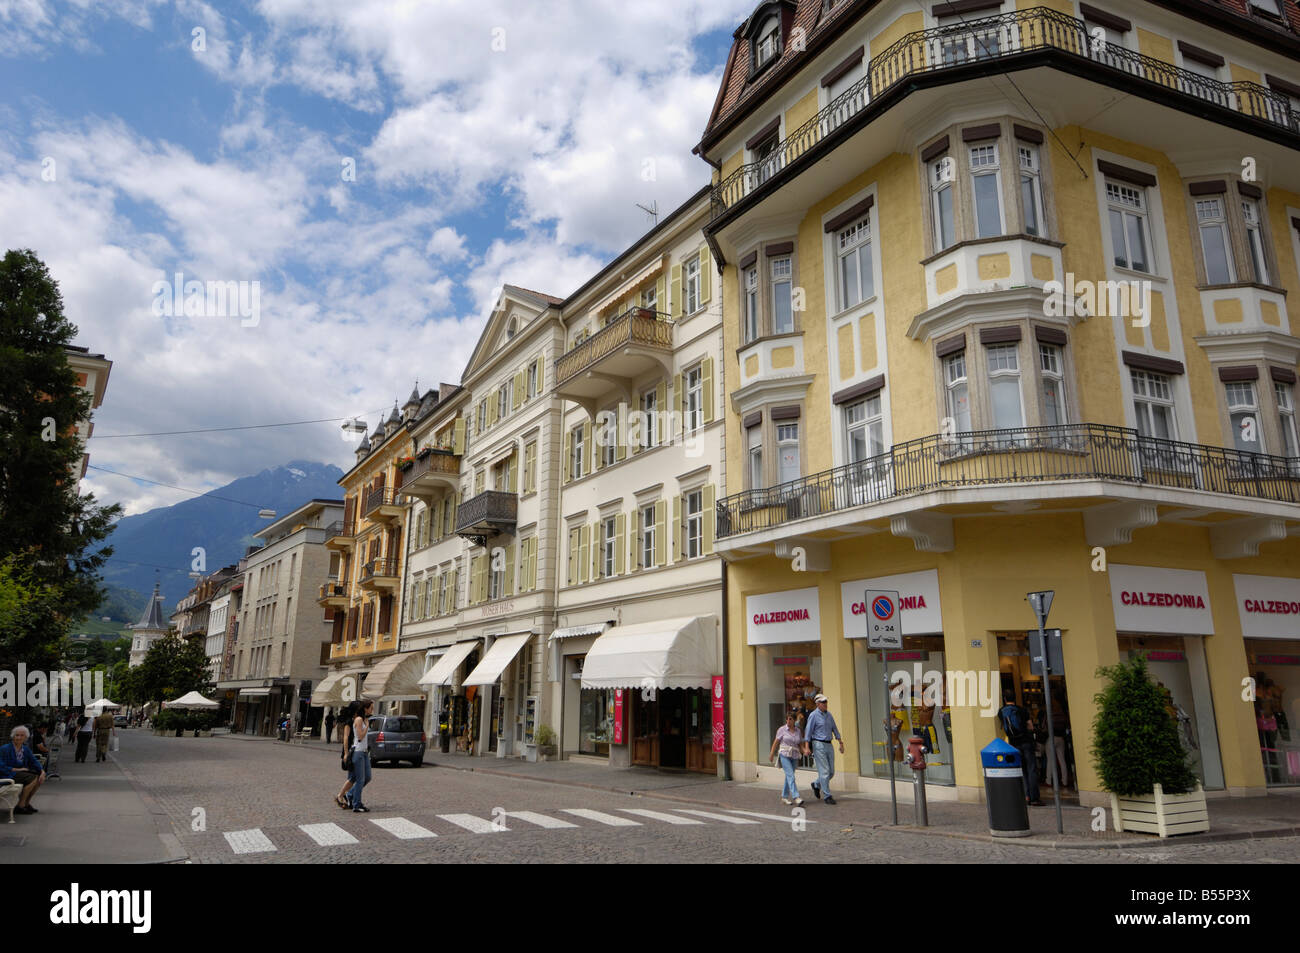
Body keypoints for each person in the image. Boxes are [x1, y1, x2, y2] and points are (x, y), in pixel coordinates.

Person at [998, 691, 1042, 805]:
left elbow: (1003, 727)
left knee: (1021, 770)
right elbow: (1031, 726)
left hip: (1014, 744)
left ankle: (1026, 796)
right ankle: (1034, 798)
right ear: (1015, 698)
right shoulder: (1022, 710)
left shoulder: (1001, 711)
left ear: (1004, 699)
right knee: (1031, 769)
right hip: (1026, 742)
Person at [801, 693, 844, 805]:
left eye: (826, 702)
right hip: (818, 744)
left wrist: (840, 742)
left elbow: (834, 728)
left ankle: (816, 784)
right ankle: (827, 795)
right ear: (817, 703)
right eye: (823, 702)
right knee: (824, 771)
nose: (825, 704)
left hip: (829, 744)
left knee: (831, 772)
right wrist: (806, 747)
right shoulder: (813, 715)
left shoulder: (829, 715)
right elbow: (808, 731)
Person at [1, 726, 47, 815]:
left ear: (26, 738)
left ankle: (26, 803)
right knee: (32, 778)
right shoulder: (5, 748)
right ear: (13, 736)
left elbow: (34, 761)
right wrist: (15, 769)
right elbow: (0, 765)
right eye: (16, 735)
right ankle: (21, 805)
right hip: (6, 774)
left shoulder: (25, 749)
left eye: (22, 735)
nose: (19, 737)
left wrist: (42, 771)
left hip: (18, 774)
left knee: (39, 778)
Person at [768, 709, 804, 806]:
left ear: (794, 720)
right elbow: (776, 742)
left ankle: (784, 797)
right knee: (791, 776)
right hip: (784, 754)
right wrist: (771, 753)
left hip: (794, 755)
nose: (788, 721)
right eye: (787, 719)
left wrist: (804, 750)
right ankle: (796, 797)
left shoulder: (798, 731)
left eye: (790, 719)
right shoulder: (782, 730)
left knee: (789, 777)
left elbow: (800, 743)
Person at [349, 700, 374, 813]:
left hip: (364, 752)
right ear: (365, 708)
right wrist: (367, 726)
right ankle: (356, 804)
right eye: (371, 708)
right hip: (358, 751)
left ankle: (350, 794)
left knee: (367, 777)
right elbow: (360, 736)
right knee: (360, 779)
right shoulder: (359, 719)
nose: (372, 710)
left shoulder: (364, 719)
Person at [335, 702, 357, 809]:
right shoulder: (349, 722)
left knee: (351, 776)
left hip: (353, 750)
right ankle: (341, 795)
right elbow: (346, 738)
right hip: (349, 751)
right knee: (353, 776)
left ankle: (348, 798)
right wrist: (346, 753)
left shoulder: (355, 720)